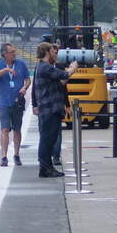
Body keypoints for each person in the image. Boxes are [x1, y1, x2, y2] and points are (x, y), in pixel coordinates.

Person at [0, 41, 30, 168]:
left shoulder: (21, 64)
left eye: (14, 51)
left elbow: (28, 80)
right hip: (5, 103)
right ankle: (4, 156)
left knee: (17, 129)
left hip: (17, 102)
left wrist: (25, 88)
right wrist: (5, 70)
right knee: (5, 129)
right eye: (12, 52)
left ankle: (17, 154)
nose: (14, 54)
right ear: (5, 54)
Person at [32, 42, 71, 177]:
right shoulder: (45, 67)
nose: (55, 54)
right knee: (47, 139)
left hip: (51, 109)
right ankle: (45, 168)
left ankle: (47, 167)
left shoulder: (43, 68)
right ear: (47, 52)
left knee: (49, 139)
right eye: (53, 51)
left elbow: (60, 83)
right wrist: (72, 68)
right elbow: (64, 75)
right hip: (49, 109)